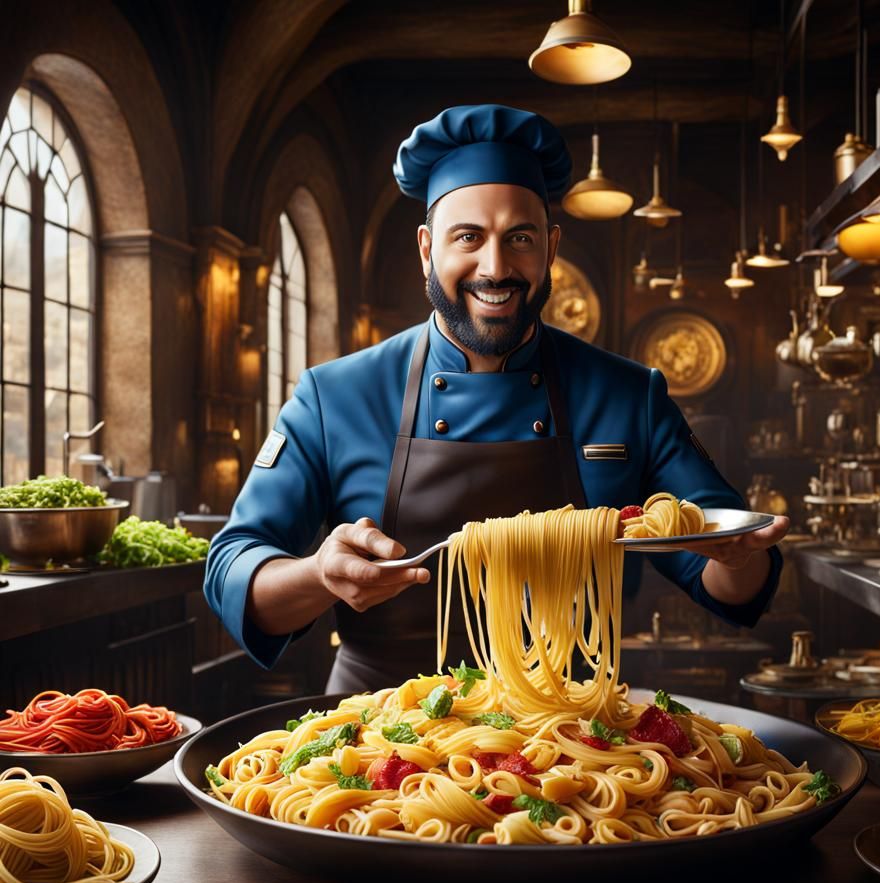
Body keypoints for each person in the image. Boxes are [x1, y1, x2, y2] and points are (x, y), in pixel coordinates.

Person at [204, 104, 788, 695]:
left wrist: (739, 558)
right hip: (376, 743)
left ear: (551, 247)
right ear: (428, 250)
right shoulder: (333, 396)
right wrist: (319, 576)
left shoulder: (630, 395)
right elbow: (232, 567)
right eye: (469, 237)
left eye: (520, 238)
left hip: (576, 746)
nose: (496, 266)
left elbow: (727, 577)